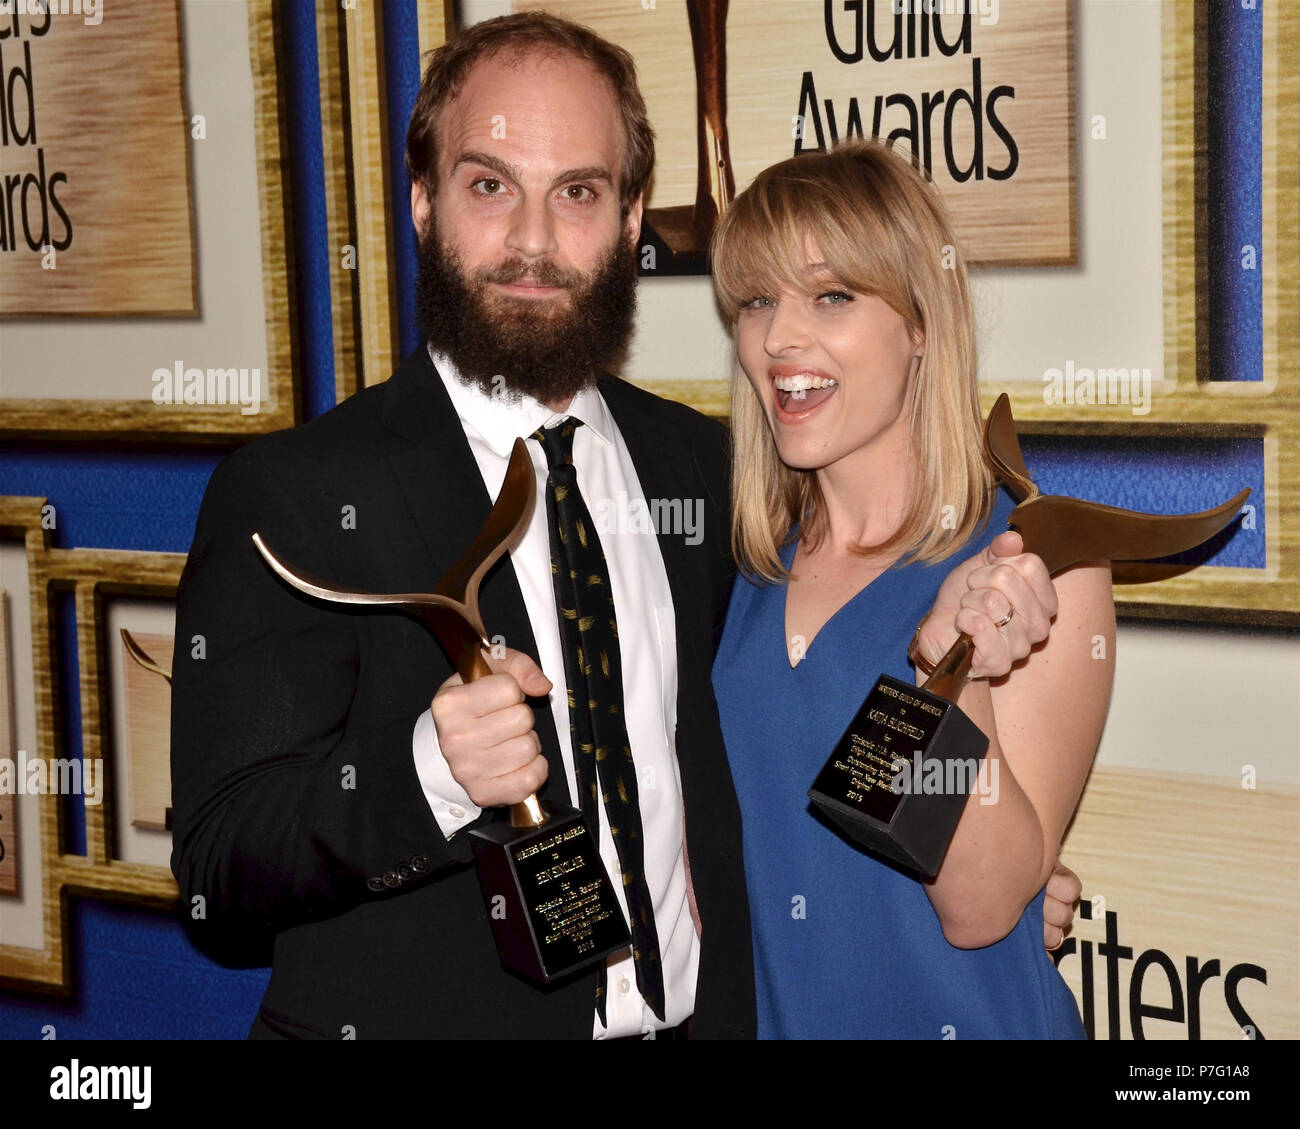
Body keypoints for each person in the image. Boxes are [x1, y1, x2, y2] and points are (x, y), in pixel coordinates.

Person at [170, 11, 752, 1040]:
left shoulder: (699, 467)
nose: (533, 241)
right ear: (424, 204)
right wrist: (427, 777)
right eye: (490, 186)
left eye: (577, 192)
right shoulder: (295, 493)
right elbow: (219, 877)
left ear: (628, 223)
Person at [709, 139, 1115, 1039]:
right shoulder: (738, 569)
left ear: (921, 321)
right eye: (757, 300)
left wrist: (953, 664)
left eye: (833, 296)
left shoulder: (1035, 564)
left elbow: (978, 909)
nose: (780, 337)